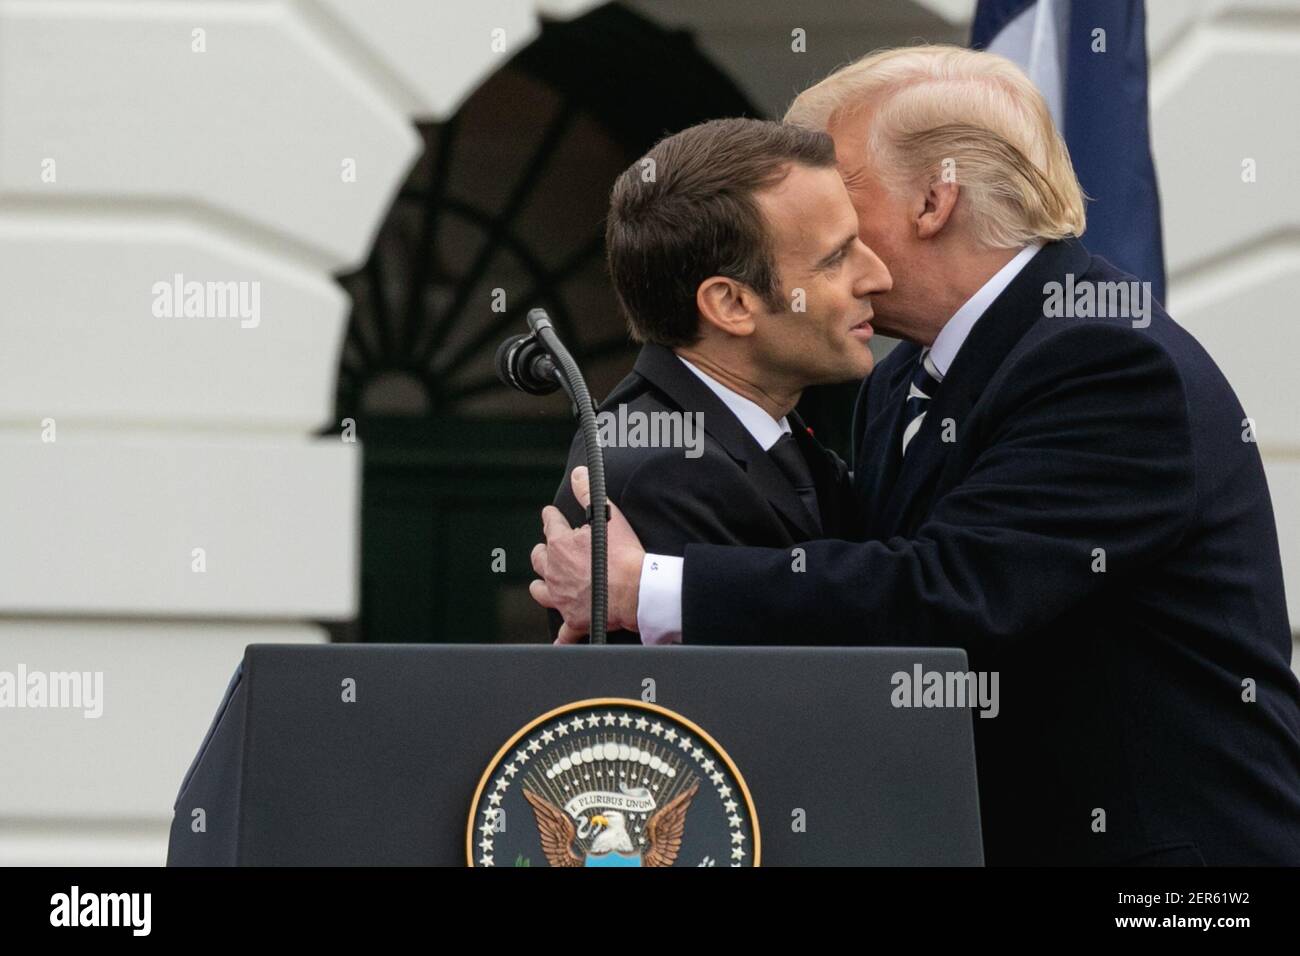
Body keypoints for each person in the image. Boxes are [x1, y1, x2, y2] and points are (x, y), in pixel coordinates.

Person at [530, 46, 1300, 865]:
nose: (828, 221)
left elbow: (948, 593)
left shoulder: (1106, 363)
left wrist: (645, 587)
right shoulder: (901, 378)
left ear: (934, 201)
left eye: (840, 192)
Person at [547, 118, 891, 642]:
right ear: (730, 303)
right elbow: (796, 691)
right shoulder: (662, 470)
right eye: (837, 258)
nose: (878, 276)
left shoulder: (759, 432)